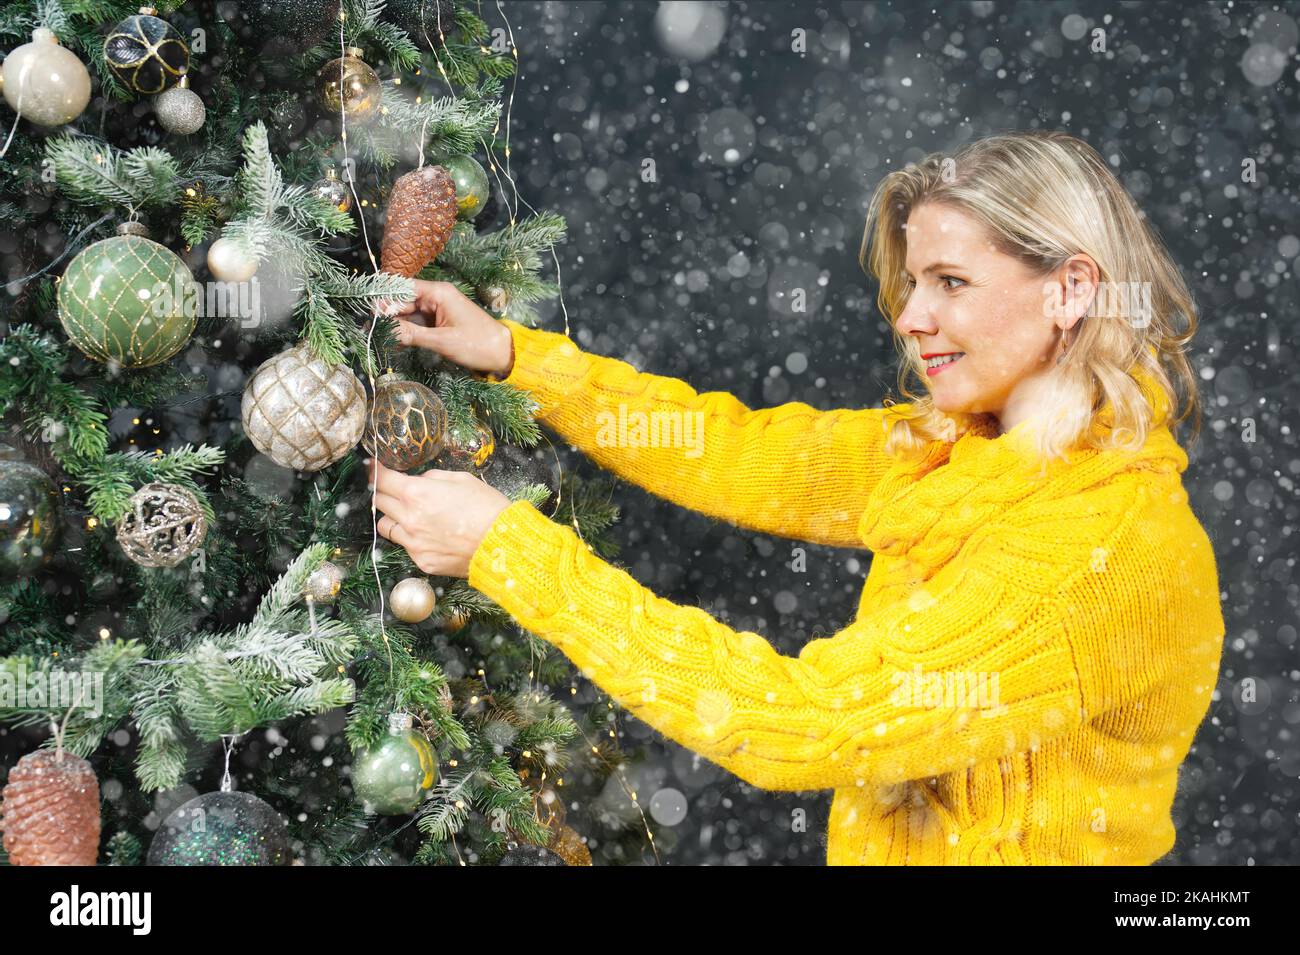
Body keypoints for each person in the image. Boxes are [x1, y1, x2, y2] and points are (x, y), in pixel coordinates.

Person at [367, 130, 1225, 865]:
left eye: (951, 283)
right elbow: (731, 451)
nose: (911, 316)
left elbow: (800, 722)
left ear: (1070, 289)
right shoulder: (960, 451)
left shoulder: (1097, 546)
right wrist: (522, 358)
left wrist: (507, 550)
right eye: (913, 282)